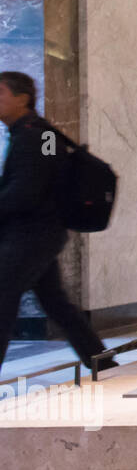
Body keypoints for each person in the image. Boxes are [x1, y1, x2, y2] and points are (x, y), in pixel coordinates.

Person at [0, 71, 113, 374]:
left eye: (1, 93)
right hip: (43, 231)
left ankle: (103, 362)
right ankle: (103, 362)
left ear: (22, 99)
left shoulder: (35, 135)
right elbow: (47, 176)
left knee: (3, 295)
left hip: (32, 234)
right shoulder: (41, 133)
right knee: (56, 304)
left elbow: (27, 191)